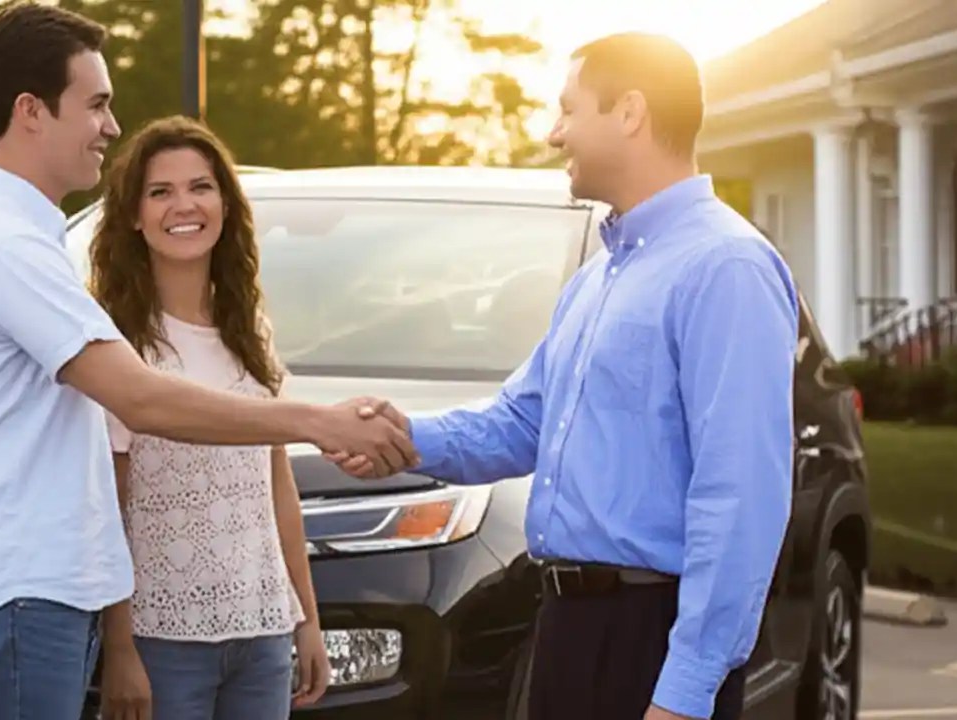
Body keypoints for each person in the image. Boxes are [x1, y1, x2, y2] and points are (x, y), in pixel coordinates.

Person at [0, 5, 413, 720]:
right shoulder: (3, 246)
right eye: (96, 104)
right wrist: (317, 421)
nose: (111, 128)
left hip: (36, 599)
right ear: (31, 111)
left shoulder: (15, 239)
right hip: (20, 598)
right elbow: (141, 399)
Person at [332, 32, 798, 720]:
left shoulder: (725, 268)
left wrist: (686, 690)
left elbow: (740, 498)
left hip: (651, 642)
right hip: (566, 633)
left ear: (630, 112)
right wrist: (403, 438)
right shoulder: (597, 280)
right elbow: (522, 423)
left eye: (569, 110)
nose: (554, 135)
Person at [88, 115, 331, 719]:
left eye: (200, 186)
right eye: (160, 191)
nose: (184, 205)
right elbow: (107, 509)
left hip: (263, 635)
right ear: (134, 216)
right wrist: (119, 647)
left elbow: (278, 488)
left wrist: (306, 620)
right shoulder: (116, 350)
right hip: (163, 642)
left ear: (225, 204)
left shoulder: (251, 335)